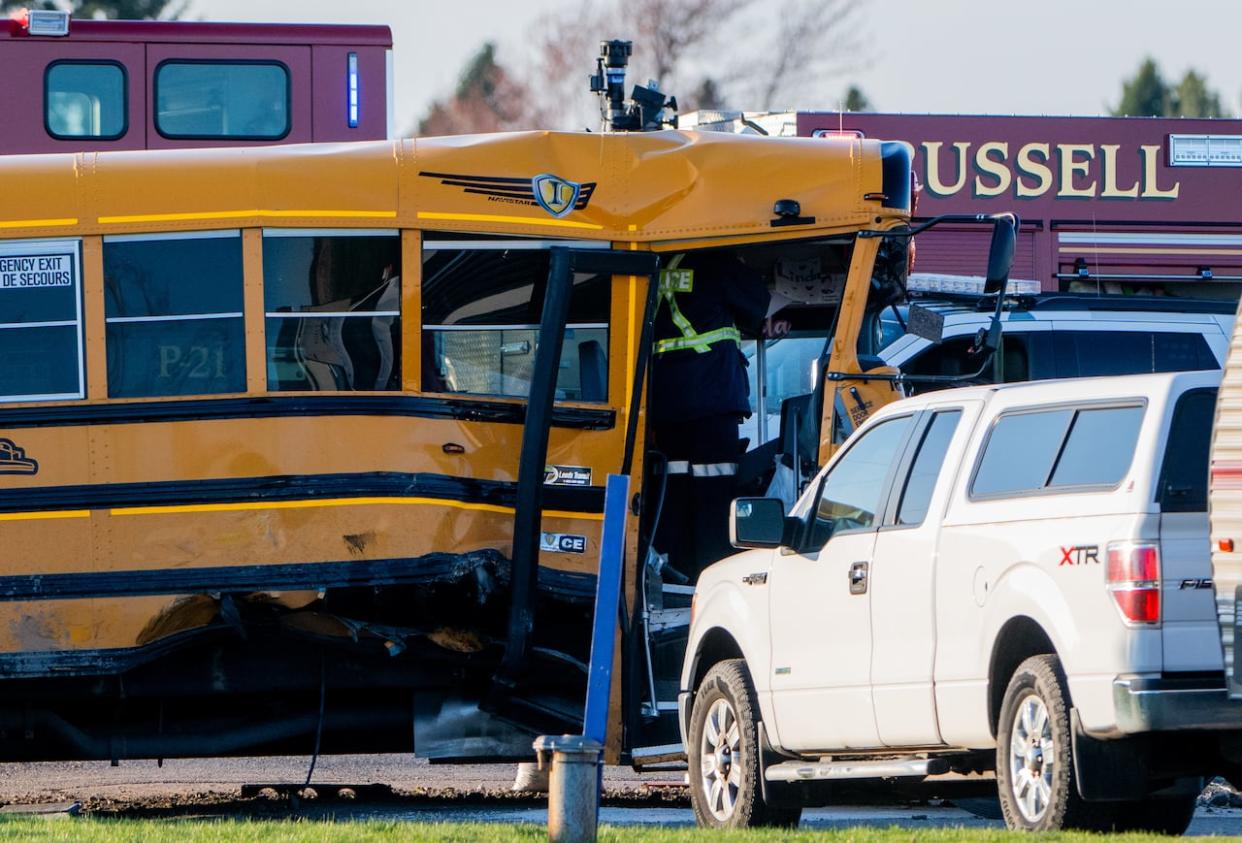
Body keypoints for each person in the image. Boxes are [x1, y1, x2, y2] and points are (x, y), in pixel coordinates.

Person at [650, 250, 770, 581]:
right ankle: (715, 576)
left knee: (673, 494)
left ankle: (673, 574)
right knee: (715, 497)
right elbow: (758, 302)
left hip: (668, 401)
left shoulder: (659, 264)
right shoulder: (714, 260)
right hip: (710, 398)